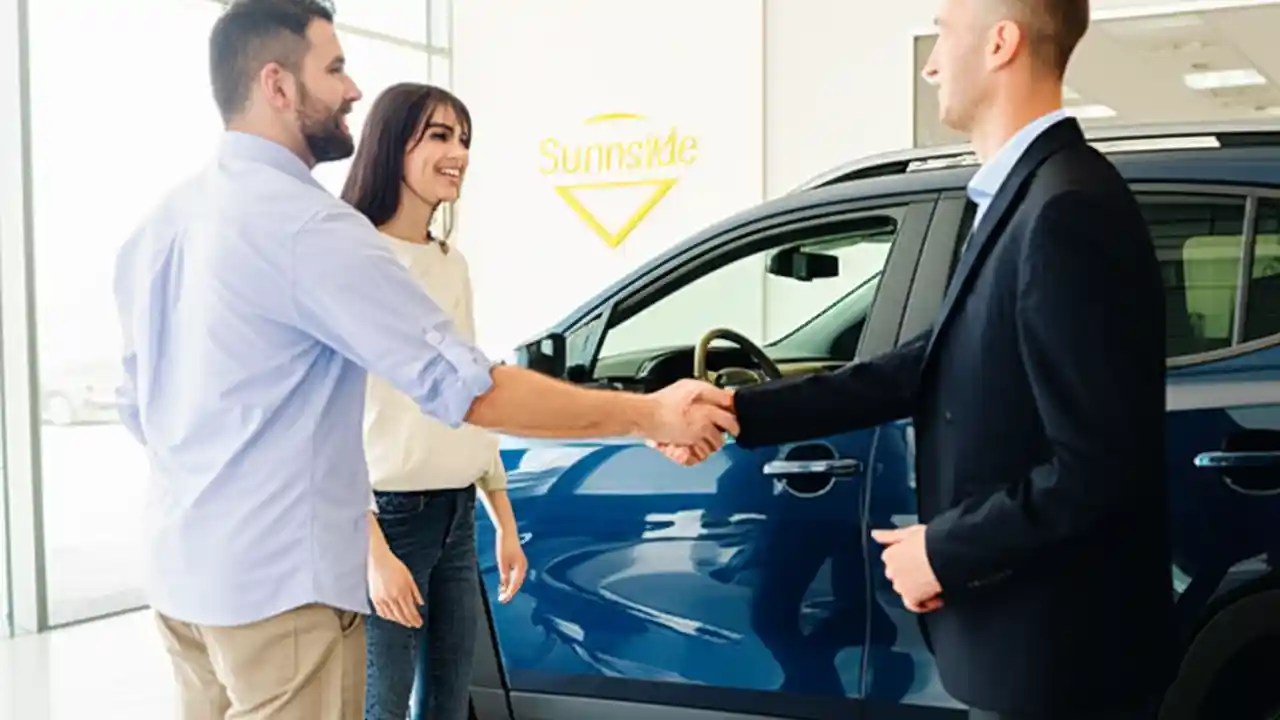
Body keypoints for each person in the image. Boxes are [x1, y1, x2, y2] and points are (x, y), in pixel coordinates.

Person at [113, 2, 734, 719]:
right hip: (280, 588)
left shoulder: (162, 222)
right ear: (277, 85)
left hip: (185, 580)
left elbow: (139, 409)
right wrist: (650, 412)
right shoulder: (311, 227)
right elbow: (466, 389)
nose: (352, 91)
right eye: (336, 68)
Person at [661, 0, 1174, 717]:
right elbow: (925, 363)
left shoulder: (1066, 208)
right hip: (1028, 653)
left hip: (1059, 666)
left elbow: (1099, 469)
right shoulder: (1027, 199)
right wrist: (736, 408)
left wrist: (944, 548)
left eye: (943, 35)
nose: (932, 62)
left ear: (1001, 43)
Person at [338, 83, 521, 720]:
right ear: (393, 145)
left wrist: (502, 514)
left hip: (456, 515)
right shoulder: (353, 259)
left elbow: (473, 394)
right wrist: (371, 551)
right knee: (382, 707)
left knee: (445, 706)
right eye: (440, 136)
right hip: (390, 518)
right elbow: (330, 418)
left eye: (464, 139)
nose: (459, 153)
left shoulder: (451, 263)